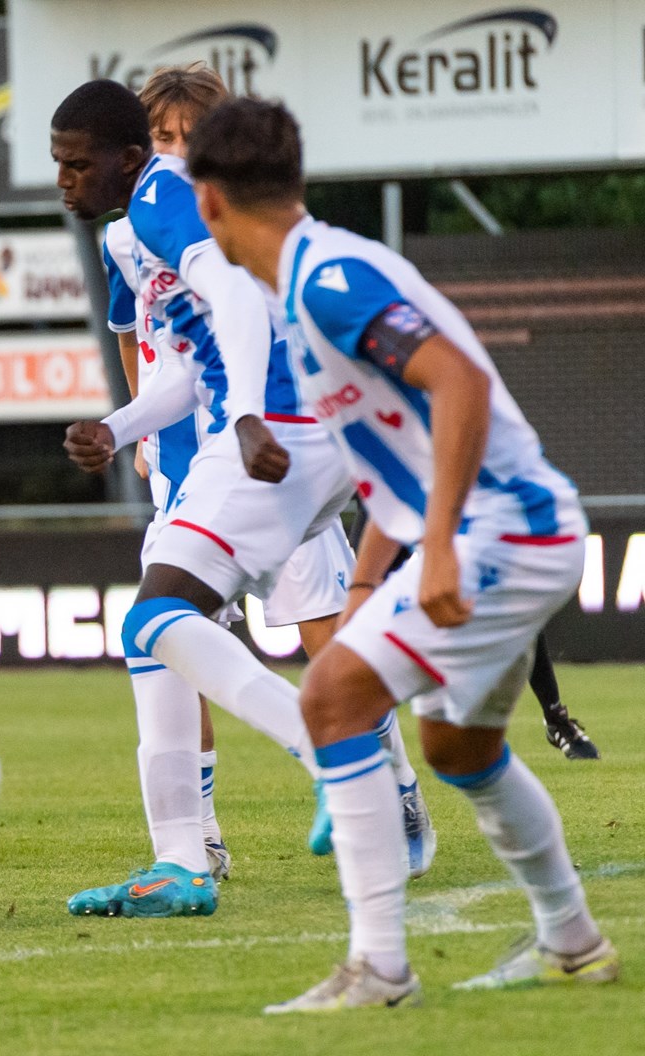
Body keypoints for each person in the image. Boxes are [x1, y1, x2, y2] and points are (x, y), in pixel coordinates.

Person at [187, 96, 619, 1011]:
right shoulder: (313, 278)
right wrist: (367, 587)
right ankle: (574, 944)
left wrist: (443, 547)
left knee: (330, 699)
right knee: (457, 747)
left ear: (209, 201)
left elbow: (456, 383)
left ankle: (379, 969)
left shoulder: (326, 283)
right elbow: (402, 457)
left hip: (504, 530)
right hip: (511, 528)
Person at [101, 64, 431, 885]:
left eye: (190, 140)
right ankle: (197, 842)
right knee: (169, 643)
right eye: (162, 138)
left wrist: (246, 415)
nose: (174, 154)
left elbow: (249, 319)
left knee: (324, 642)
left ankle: (389, 782)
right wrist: (132, 426)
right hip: (188, 465)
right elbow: (144, 338)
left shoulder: (236, 230)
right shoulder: (127, 238)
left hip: (270, 447)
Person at [53, 78, 371, 920]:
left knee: (160, 620)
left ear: (127, 159)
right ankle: (181, 863)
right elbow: (192, 361)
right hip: (282, 429)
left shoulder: (158, 199)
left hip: (277, 429)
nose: (64, 181)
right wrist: (118, 428)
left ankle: (335, 757)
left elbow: (232, 298)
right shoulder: (138, 223)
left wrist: (247, 416)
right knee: (152, 641)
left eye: (75, 164)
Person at [349, 505, 599, 760]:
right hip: (391, 514)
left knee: (511, 606)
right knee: (349, 676)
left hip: (455, 516)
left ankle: (555, 717)